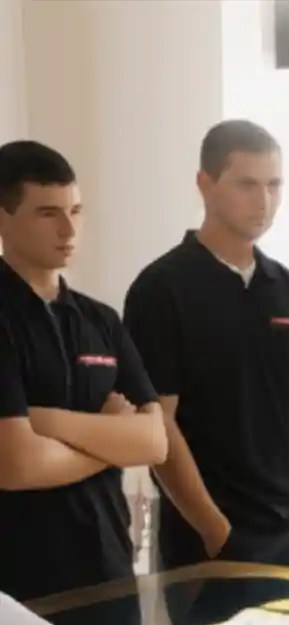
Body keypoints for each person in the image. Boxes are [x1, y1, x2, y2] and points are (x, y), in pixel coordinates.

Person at [123, 120, 289, 571]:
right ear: (205, 185)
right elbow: (160, 423)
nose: (264, 201)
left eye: (274, 184)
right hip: (211, 541)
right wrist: (215, 530)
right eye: (247, 184)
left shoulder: (285, 286)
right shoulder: (162, 288)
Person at [0, 140, 167, 601]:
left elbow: (155, 442)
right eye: (47, 213)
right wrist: (114, 439)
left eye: (76, 210)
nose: (68, 228)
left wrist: (49, 423)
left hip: (108, 567)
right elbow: (17, 464)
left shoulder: (100, 320)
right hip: (20, 582)